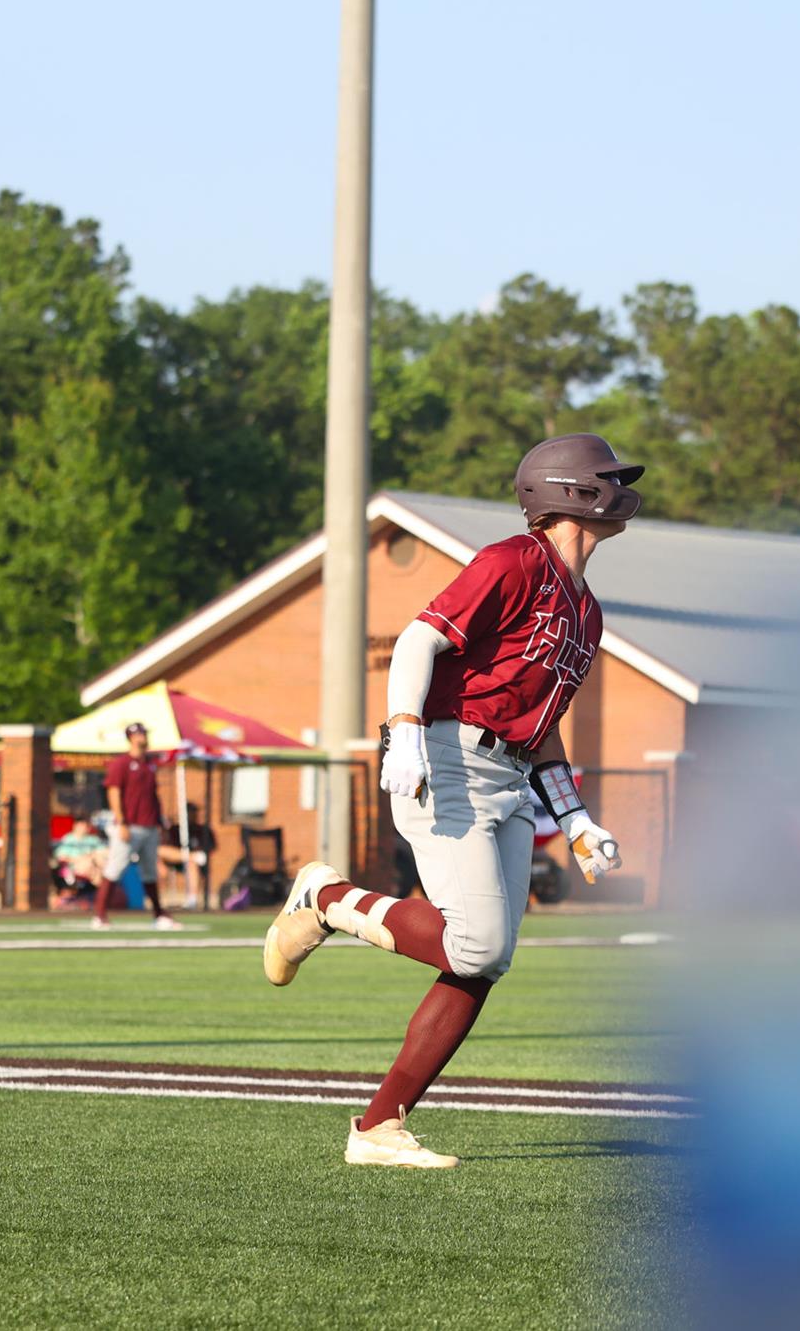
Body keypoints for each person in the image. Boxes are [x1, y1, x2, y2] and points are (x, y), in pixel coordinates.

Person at [261, 433, 641, 1168]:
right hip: (448, 755)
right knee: (479, 942)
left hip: (512, 777)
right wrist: (404, 731)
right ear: (571, 489)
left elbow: (544, 727)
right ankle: (327, 898)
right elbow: (416, 641)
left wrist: (579, 818)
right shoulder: (512, 560)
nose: (622, 488)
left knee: (482, 962)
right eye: (610, 476)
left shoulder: (587, 612)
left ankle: (378, 1129)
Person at [92, 722, 180, 930]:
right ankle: (100, 914)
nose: (143, 737)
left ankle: (159, 914)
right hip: (129, 826)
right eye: (140, 734)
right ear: (131, 737)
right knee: (115, 868)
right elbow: (113, 791)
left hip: (149, 826)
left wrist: (159, 821)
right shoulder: (122, 763)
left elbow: (152, 796)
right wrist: (121, 822)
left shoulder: (149, 764)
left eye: (144, 734)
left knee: (150, 871)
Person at [157, 804, 215, 910]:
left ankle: (192, 900)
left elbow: (210, 848)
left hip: (194, 863)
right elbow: (166, 847)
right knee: (159, 853)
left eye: (193, 812)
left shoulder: (203, 830)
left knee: (192, 864)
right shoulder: (175, 829)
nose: (192, 815)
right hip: (175, 860)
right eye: (189, 812)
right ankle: (191, 856)